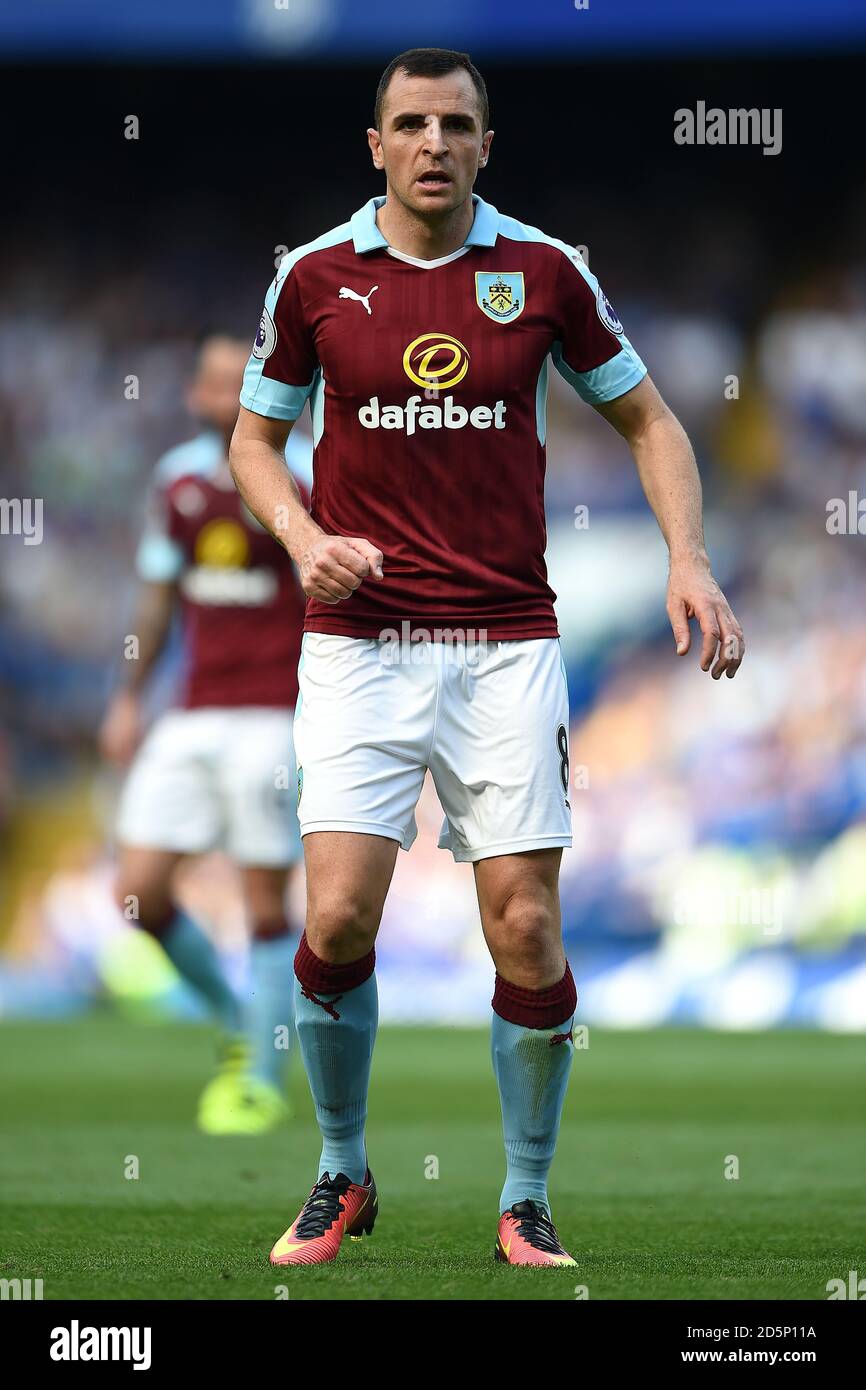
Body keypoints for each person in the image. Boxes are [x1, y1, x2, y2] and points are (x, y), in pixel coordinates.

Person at [229, 48, 744, 1264]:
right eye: (407, 124)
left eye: (454, 125)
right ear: (374, 146)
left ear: (483, 145)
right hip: (357, 644)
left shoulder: (544, 272)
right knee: (341, 913)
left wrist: (689, 557)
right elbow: (255, 442)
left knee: (523, 928)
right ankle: (342, 1170)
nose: (431, 144)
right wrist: (303, 537)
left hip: (505, 641)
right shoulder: (311, 278)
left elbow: (650, 417)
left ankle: (522, 1196)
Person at [100, 335, 311, 1135]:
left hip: (272, 714)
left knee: (263, 905)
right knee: (138, 893)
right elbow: (158, 597)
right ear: (197, 394)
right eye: (216, 383)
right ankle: (231, 1016)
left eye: (242, 384)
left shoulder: (307, 473)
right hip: (189, 712)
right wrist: (128, 698)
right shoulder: (177, 479)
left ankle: (260, 1076)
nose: (226, 397)